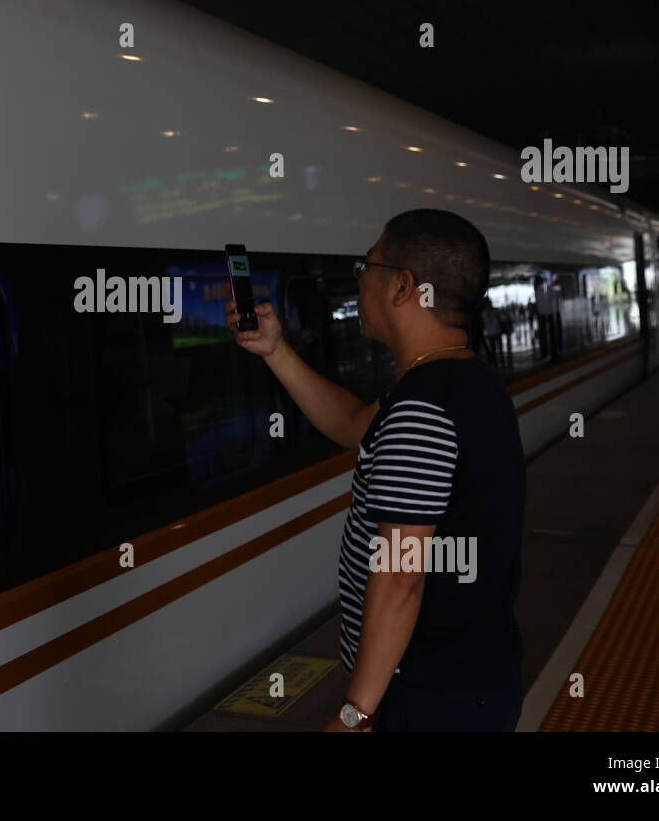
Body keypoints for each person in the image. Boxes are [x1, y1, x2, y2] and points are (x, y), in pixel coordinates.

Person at [225, 209, 525, 731]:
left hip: (430, 696)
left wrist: (355, 712)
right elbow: (353, 423)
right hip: (471, 677)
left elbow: (400, 576)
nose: (359, 277)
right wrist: (275, 351)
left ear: (403, 288)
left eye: (368, 265)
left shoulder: (420, 410)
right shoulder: (463, 381)